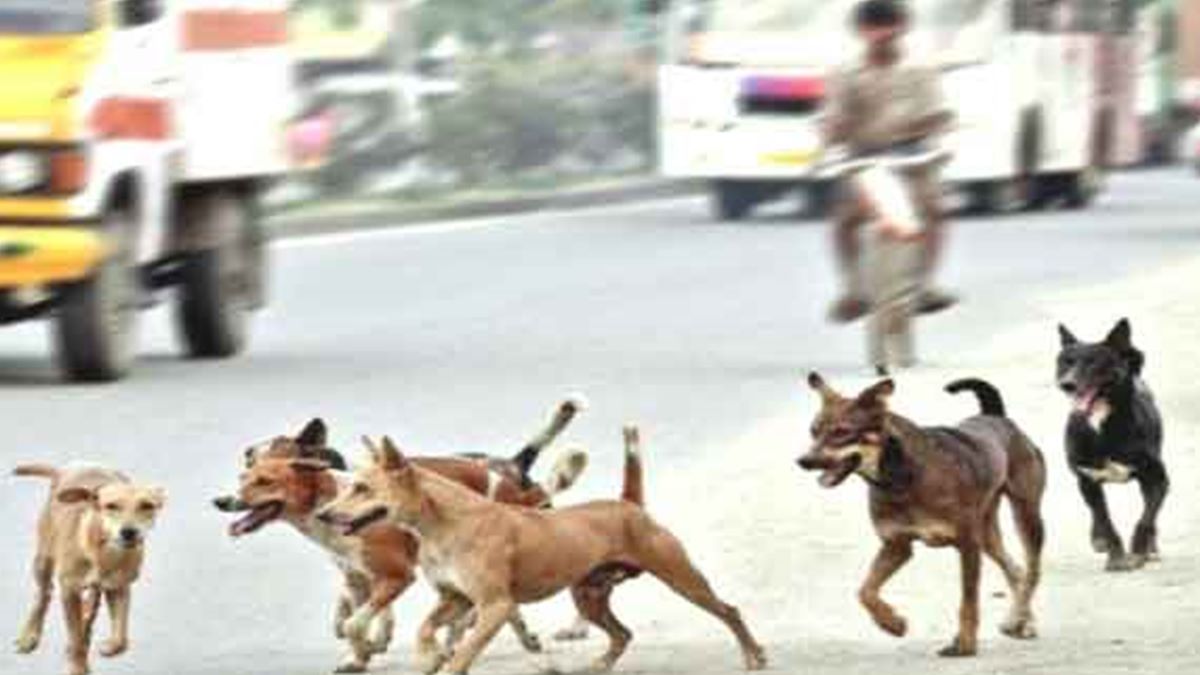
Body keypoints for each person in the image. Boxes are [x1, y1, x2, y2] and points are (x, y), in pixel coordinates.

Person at [821, 0, 956, 323]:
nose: (881, 34)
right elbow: (833, 121)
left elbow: (939, 115)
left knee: (936, 213)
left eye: (888, 25)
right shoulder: (844, 74)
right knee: (844, 221)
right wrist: (833, 130)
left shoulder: (921, 71)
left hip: (913, 157)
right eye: (873, 27)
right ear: (860, 32)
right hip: (864, 159)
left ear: (903, 28)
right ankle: (852, 290)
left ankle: (925, 285)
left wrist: (928, 128)